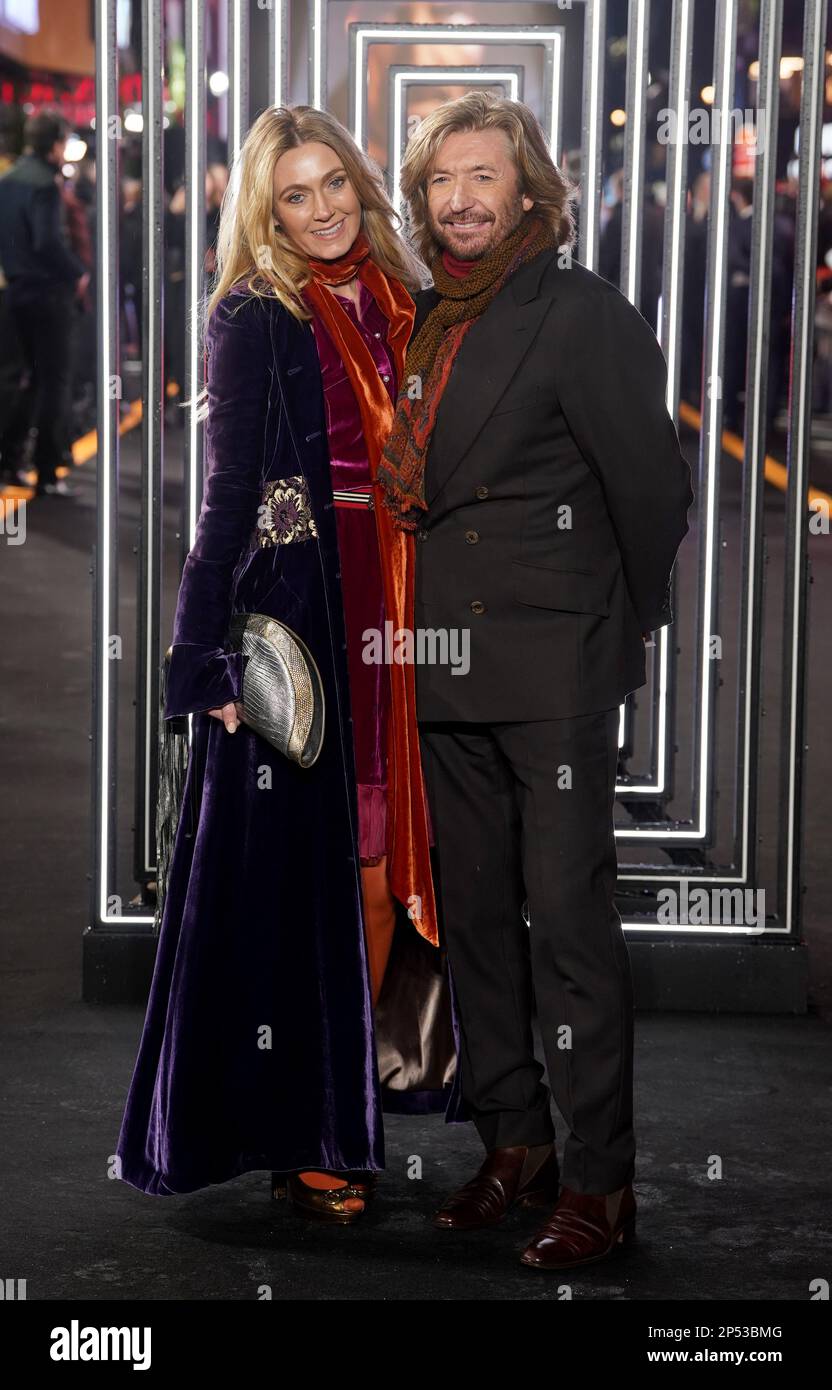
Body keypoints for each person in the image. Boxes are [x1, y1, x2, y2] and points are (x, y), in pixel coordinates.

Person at [116, 105, 462, 1222]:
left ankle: (341, 1097)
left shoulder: (405, 300)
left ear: (360, 188)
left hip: (409, 600)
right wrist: (197, 655)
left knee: (384, 877)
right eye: (294, 196)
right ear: (263, 211)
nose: (320, 212)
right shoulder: (253, 315)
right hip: (309, 613)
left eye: (334, 188)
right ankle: (308, 1119)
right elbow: (222, 503)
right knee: (312, 878)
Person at [377, 92, 694, 1269]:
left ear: (527, 192)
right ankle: (515, 1146)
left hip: (552, 672)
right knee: (474, 926)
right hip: (442, 672)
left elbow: (652, 497)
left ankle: (601, 1183)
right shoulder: (424, 318)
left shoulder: (578, 311)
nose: (459, 199)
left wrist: (615, 642)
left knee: (566, 925)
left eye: (481, 177)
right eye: (441, 181)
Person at [0, 112, 89, 497]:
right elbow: (47, 242)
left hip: (14, 290)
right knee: (54, 381)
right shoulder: (45, 187)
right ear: (54, 144)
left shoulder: (7, 181)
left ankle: (9, 460)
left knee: (21, 380)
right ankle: (48, 469)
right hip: (49, 295)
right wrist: (77, 272)